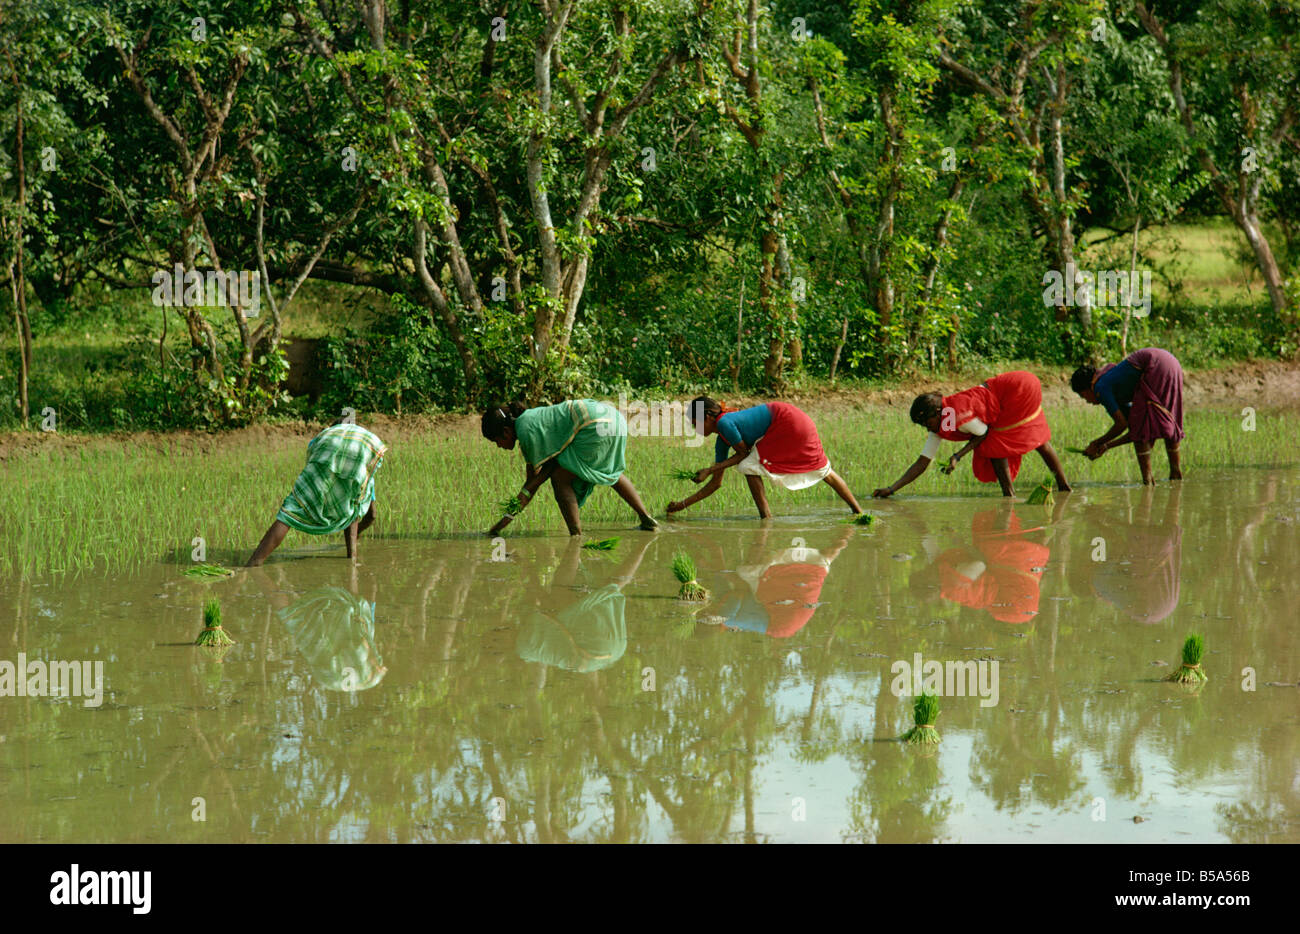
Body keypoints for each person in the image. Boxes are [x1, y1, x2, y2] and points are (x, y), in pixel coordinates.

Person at [873, 370, 1070, 499]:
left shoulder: (956, 415)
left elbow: (983, 433)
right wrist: (891, 489)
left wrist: (957, 456)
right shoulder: (944, 419)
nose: (927, 428)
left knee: (993, 445)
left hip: (1016, 388)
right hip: (1023, 383)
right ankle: (1064, 488)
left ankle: (1009, 496)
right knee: (1037, 439)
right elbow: (922, 463)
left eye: (927, 423)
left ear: (937, 413)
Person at [483, 399, 658, 536]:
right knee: (609, 472)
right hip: (614, 419)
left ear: (506, 432)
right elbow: (534, 480)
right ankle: (646, 518)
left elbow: (538, 479)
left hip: (594, 425)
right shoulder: (531, 418)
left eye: (496, 441)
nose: (498, 446)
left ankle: (576, 535)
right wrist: (528, 489)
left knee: (560, 480)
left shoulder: (525, 431)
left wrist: (499, 527)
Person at [667, 397, 862, 519]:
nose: (696, 429)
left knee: (747, 465)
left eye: (696, 423)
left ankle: (766, 518)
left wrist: (710, 469)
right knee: (822, 469)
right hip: (797, 420)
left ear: (708, 416)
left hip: (785, 422)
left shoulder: (725, 423)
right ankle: (858, 511)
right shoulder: (722, 440)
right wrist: (681, 505)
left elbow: (743, 454)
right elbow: (715, 484)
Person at [247, 421, 388, 566]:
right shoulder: (360, 441)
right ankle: (352, 558)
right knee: (354, 502)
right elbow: (372, 515)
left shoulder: (326, 434)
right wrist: (356, 532)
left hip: (324, 454)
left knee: (290, 512)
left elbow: (311, 455)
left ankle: (255, 562)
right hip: (360, 451)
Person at [1071, 347, 1184, 484]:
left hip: (1155, 366)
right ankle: (1176, 475)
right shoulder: (1109, 380)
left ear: (1089, 387)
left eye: (1084, 396)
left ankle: (1148, 482)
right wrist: (1106, 446)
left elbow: (1121, 425)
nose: (1088, 401)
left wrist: (1097, 442)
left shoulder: (1100, 387)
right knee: (1167, 419)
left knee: (1144, 431)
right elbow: (1133, 430)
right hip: (1171, 362)